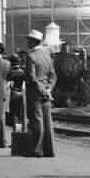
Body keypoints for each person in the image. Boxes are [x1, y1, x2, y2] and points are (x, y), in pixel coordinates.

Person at [25, 29, 57, 157]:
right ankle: (49, 150)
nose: (27, 42)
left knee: (37, 121)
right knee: (48, 121)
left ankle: (37, 149)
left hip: (35, 93)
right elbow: (54, 75)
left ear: (33, 42)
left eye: (28, 40)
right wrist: (49, 89)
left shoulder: (31, 56)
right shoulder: (47, 54)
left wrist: (42, 90)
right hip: (47, 93)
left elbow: (32, 77)